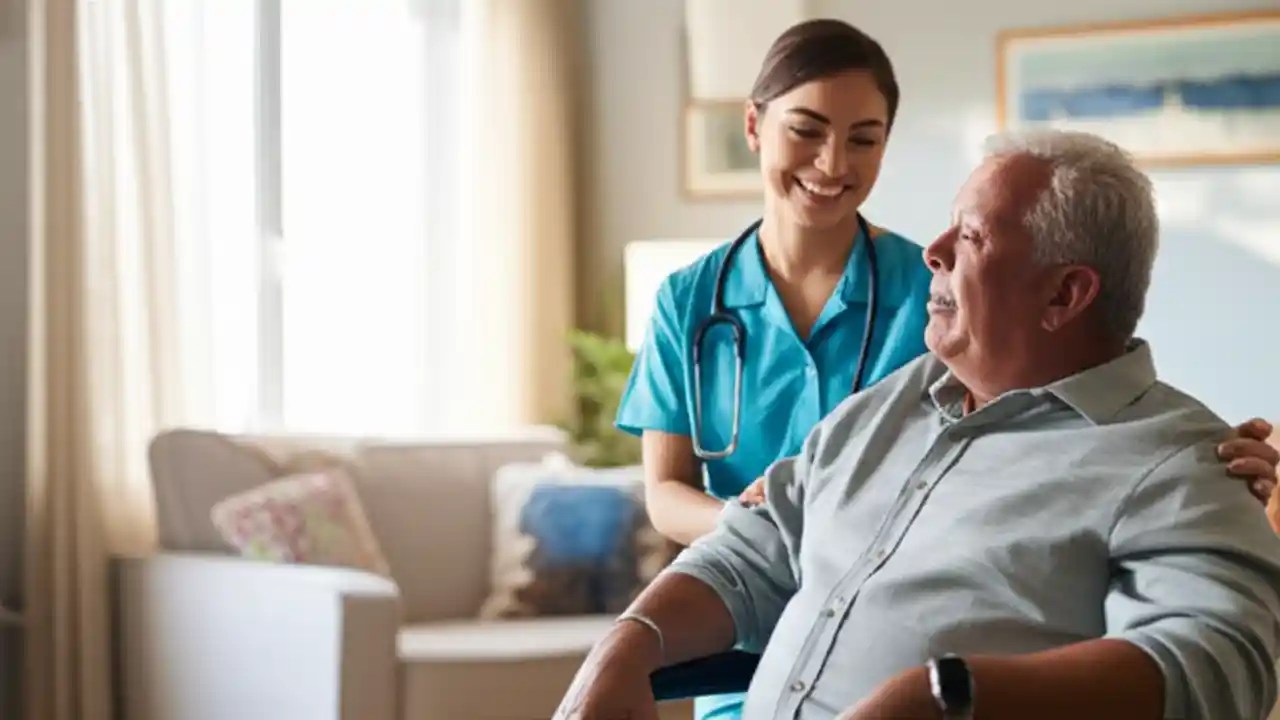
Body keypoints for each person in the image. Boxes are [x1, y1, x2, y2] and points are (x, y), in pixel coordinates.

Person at [614, 18, 1280, 720]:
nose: (833, 161)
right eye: (806, 129)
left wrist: (943, 694)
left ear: (1064, 293)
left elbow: (1213, 660)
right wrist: (629, 642)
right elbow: (758, 538)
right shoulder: (900, 393)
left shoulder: (1174, 463)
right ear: (754, 127)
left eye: (968, 236)